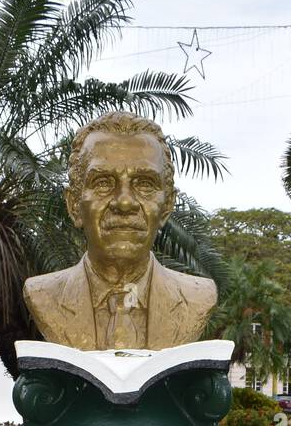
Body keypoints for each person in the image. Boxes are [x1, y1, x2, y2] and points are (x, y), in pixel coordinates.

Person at [23, 111, 217, 350]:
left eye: (144, 184)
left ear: (167, 207)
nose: (125, 202)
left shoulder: (198, 296)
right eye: (103, 183)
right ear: (74, 204)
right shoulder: (42, 294)